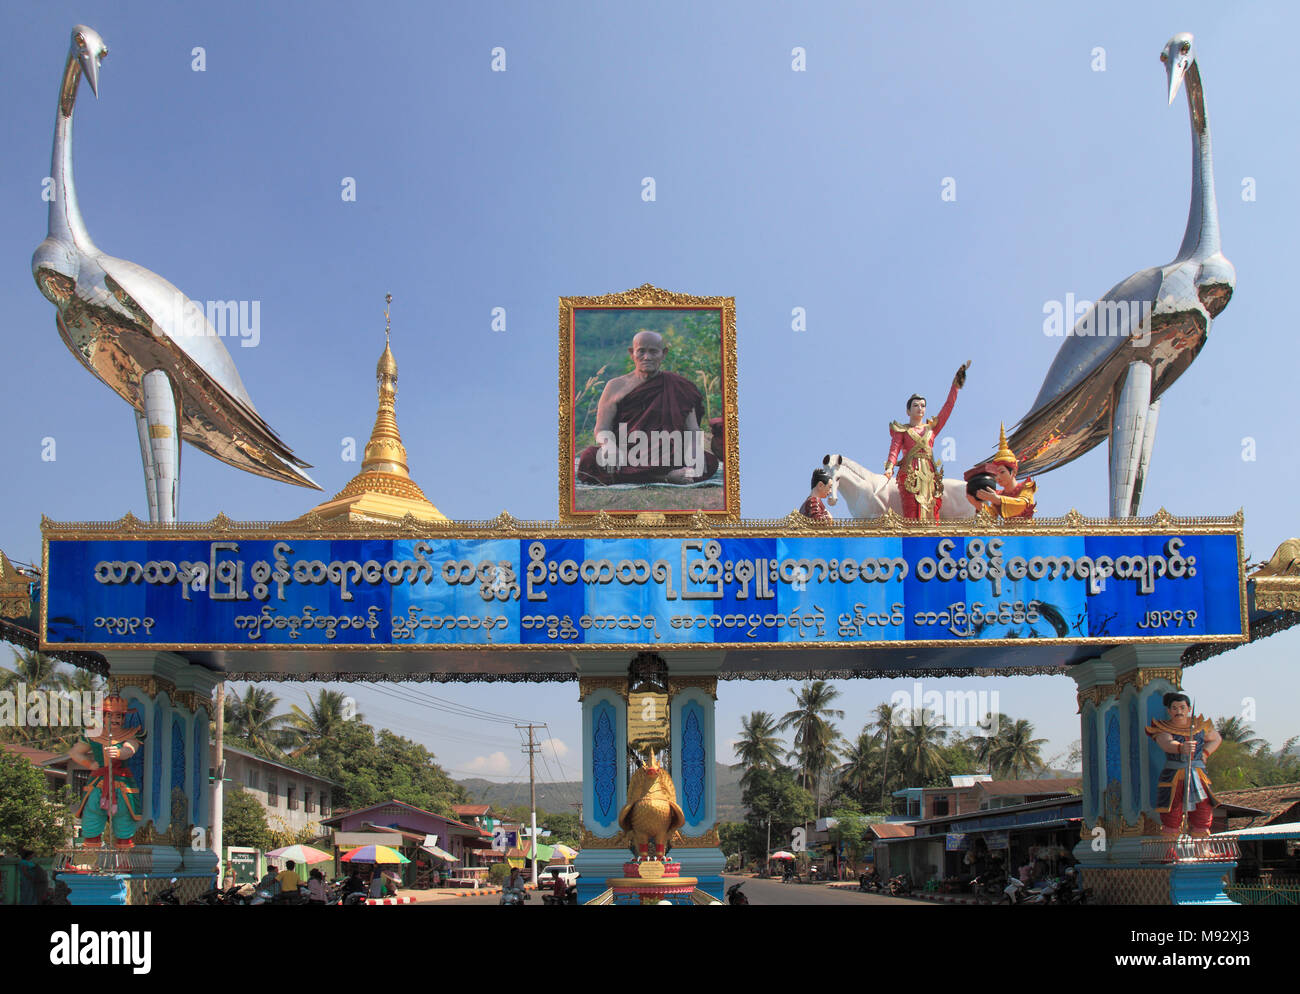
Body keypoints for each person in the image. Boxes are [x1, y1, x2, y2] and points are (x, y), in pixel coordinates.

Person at [576, 330, 720, 485]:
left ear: (664, 354)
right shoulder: (615, 386)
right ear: (632, 353)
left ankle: (647, 476)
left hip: (670, 455)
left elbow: (693, 430)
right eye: (641, 351)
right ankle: (666, 477)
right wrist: (609, 445)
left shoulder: (680, 386)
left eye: (653, 351)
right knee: (590, 457)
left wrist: (694, 454)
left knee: (708, 461)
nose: (647, 357)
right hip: (628, 455)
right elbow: (601, 428)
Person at [884, 361, 971, 521]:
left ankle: (932, 540)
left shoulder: (931, 429)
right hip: (910, 474)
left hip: (929, 474)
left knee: (933, 508)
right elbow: (894, 449)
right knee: (911, 509)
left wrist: (955, 387)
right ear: (908, 410)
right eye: (916, 405)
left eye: (923, 406)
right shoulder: (901, 430)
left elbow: (948, 407)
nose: (920, 408)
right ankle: (914, 540)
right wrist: (889, 467)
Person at [66, 694, 144, 850]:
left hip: (122, 784)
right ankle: (89, 862)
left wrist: (120, 753)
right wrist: (90, 764)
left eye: (118, 716)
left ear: (123, 719)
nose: (114, 719)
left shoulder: (130, 734)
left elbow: (130, 749)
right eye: (110, 715)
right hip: (98, 783)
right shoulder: (93, 734)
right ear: (103, 717)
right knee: (91, 821)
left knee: (124, 824)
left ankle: (123, 863)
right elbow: (74, 753)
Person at [1146, 692, 1222, 837]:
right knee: (1172, 811)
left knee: (1203, 810)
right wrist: (1180, 747)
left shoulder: (1199, 727)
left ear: (1189, 708)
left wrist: (1205, 753)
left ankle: (1202, 849)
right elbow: (1166, 743)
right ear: (1169, 711)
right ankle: (1170, 850)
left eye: (1182, 707)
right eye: (1174, 708)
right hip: (1174, 776)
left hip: (1199, 775)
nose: (1178, 712)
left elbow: (1216, 738)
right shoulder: (1163, 728)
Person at [965, 424, 1037, 519]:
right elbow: (992, 517)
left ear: (1013, 472)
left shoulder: (1026, 487)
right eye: (996, 474)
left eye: (1002, 472)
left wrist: (997, 499)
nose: (998, 477)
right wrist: (976, 503)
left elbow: (1022, 505)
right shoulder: (998, 494)